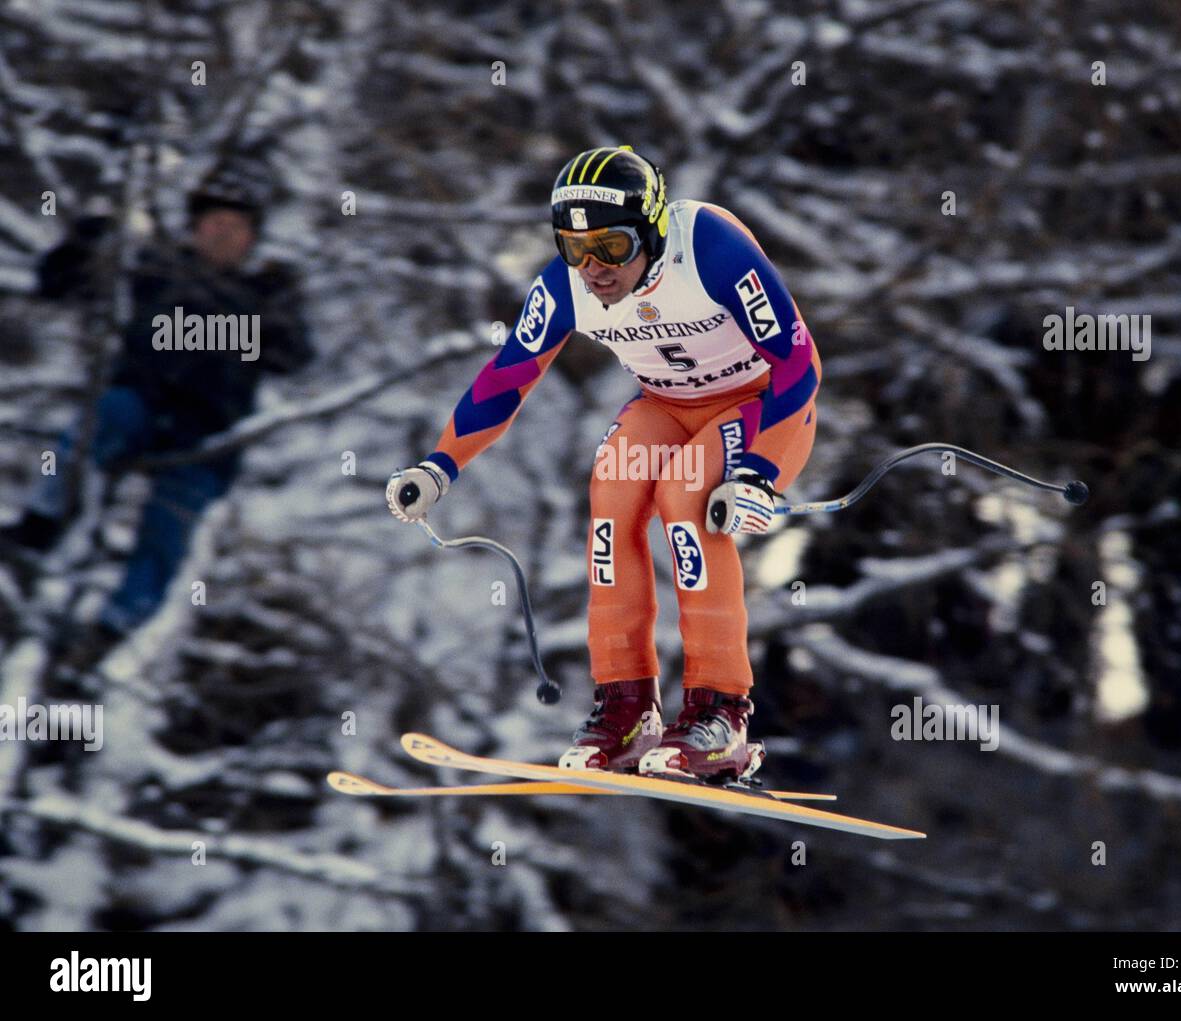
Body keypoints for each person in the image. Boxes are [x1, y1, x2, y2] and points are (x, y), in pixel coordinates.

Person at [387, 145, 820, 780]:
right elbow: (508, 377)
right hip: (667, 405)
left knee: (686, 500)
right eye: (573, 246)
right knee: (612, 501)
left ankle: (720, 714)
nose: (594, 268)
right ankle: (626, 709)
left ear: (651, 230)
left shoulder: (709, 247)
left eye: (612, 248)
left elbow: (797, 364)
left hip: (762, 404)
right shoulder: (563, 284)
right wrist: (438, 467)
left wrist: (756, 471)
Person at [1, 156, 314, 650]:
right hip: (141, 405)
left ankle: (109, 633)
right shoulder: (154, 270)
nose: (223, 235)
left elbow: (293, 357)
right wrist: (90, 238)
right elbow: (57, 286)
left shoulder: (264, 294)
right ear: (192, 228)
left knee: (167, 532)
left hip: (207, 435)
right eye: (214, 223)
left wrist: (266, 316)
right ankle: (44, 522)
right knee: (103, 419)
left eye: (237, 227)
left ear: (253, 239)